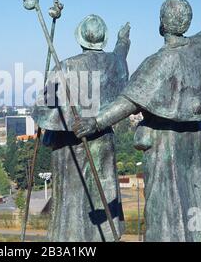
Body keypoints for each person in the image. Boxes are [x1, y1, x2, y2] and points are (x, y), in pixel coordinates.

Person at [73, 0, 201, 242]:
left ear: (161, 25)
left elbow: (128, 102)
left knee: (169, 202)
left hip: (166, 140)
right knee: (200, 197)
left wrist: (95, 122)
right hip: (199, 137)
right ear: (187, 23)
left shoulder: (158, 63)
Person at [32, 15, 130, 241]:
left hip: (69, 146)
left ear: (81, 39)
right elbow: (120, 56)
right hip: (103, 140)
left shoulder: (66, 66)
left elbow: (44, 111)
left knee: (72, 202)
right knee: (100, 194)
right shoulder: (115, 63)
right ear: (103, 40)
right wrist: (123, 40)